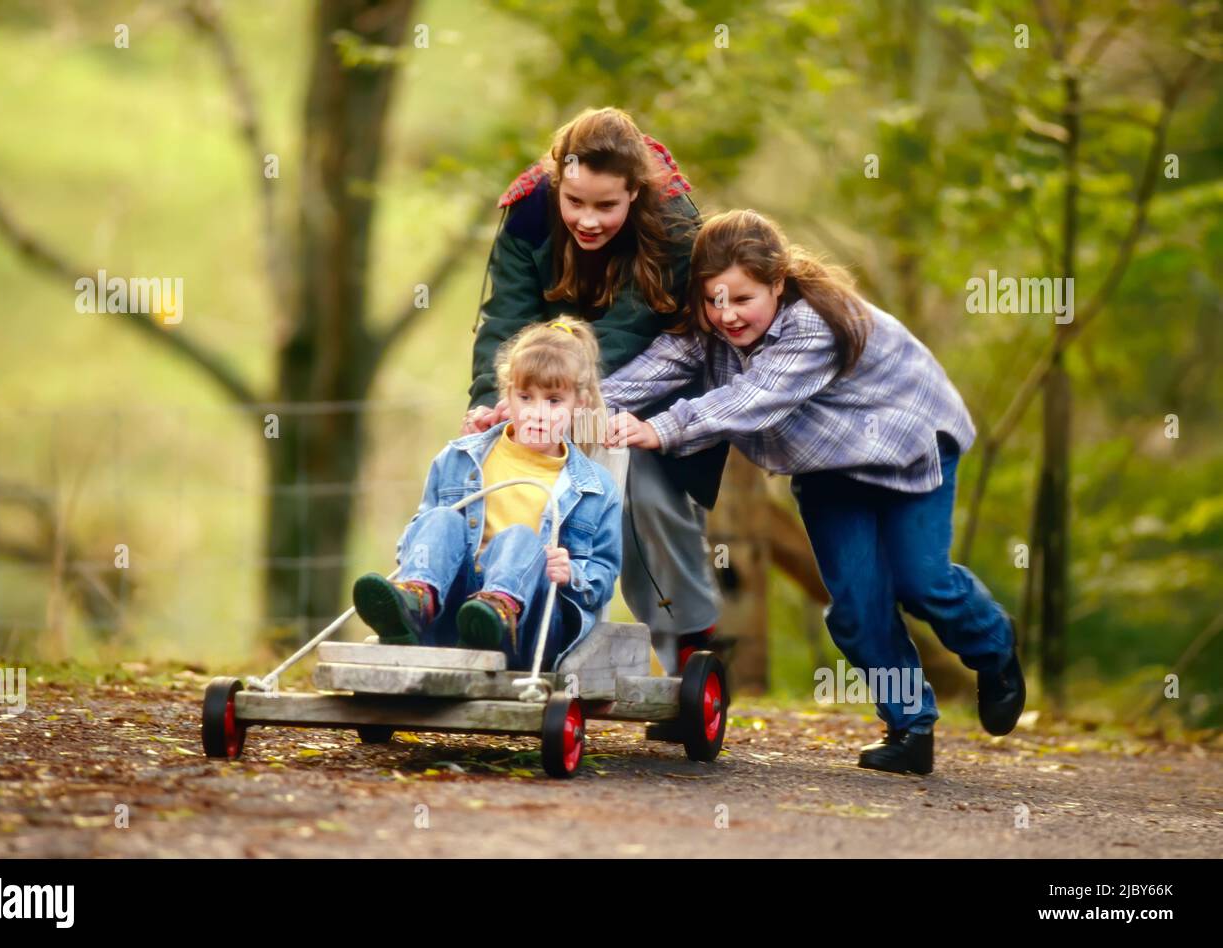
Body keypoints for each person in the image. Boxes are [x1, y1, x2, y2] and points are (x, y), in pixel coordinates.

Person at [601, 209, 1026, 775]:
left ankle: (994, 647)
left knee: (921, 581)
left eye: (743, 300)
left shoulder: (816, 324)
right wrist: (551, 404)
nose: (725, 315)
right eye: (713, 300)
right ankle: (910, 726)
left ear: (777, 283)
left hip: (908, 445)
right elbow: (648, 372)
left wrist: (663, 428)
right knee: (855, 604)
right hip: (831, 468)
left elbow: (756, 398)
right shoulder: (711, 329)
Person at [465, 106, 726, 672]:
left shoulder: (675, 223)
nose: (588, 220)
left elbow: (636, 324)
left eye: (607, 205)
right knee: (506, 481)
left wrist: (559, 375)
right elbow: (506, 316)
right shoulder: (528, 213)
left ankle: (685, 639)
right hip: (540, 384)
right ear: (558, 184)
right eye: (575, 202)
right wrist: (493, 397)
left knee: (646, 503)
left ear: (635, 192)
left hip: (651, 381)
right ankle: (511, 615)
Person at [352, 319, 621, 672]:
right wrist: (425, 557)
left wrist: (572, 573)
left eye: (554, 401)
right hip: (453, 613)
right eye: (526, 398)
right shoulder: (460, 458)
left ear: (580, 403)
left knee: (520, 539)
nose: (537, 412)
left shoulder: (594, 488)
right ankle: (415, 605)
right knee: (442, 518)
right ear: (507, 395)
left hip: (526, 633)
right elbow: (415, 541)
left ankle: (497, 611)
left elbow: (603, 574)